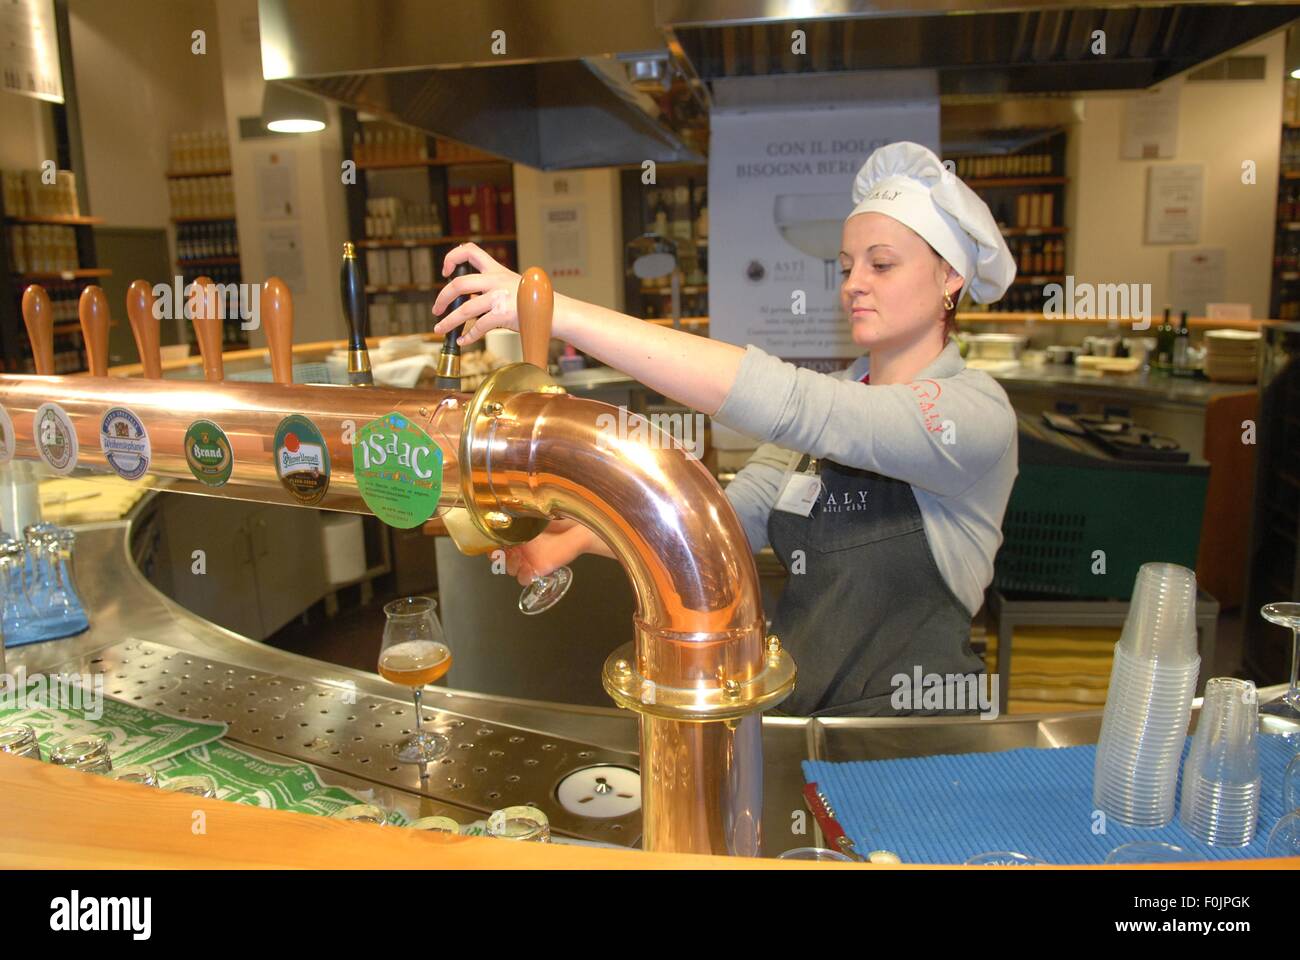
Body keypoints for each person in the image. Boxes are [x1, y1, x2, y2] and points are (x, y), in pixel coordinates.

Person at [430, 141, 1019, 717]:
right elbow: (720, 525)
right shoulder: (845, 395)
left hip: (915, 741)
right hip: (803, 717)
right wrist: (582, 535)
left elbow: (794, 403)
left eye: (881, 264)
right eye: (846, 267)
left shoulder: (971, 413)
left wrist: (557, 311)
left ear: (950, 278)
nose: (853, 284)